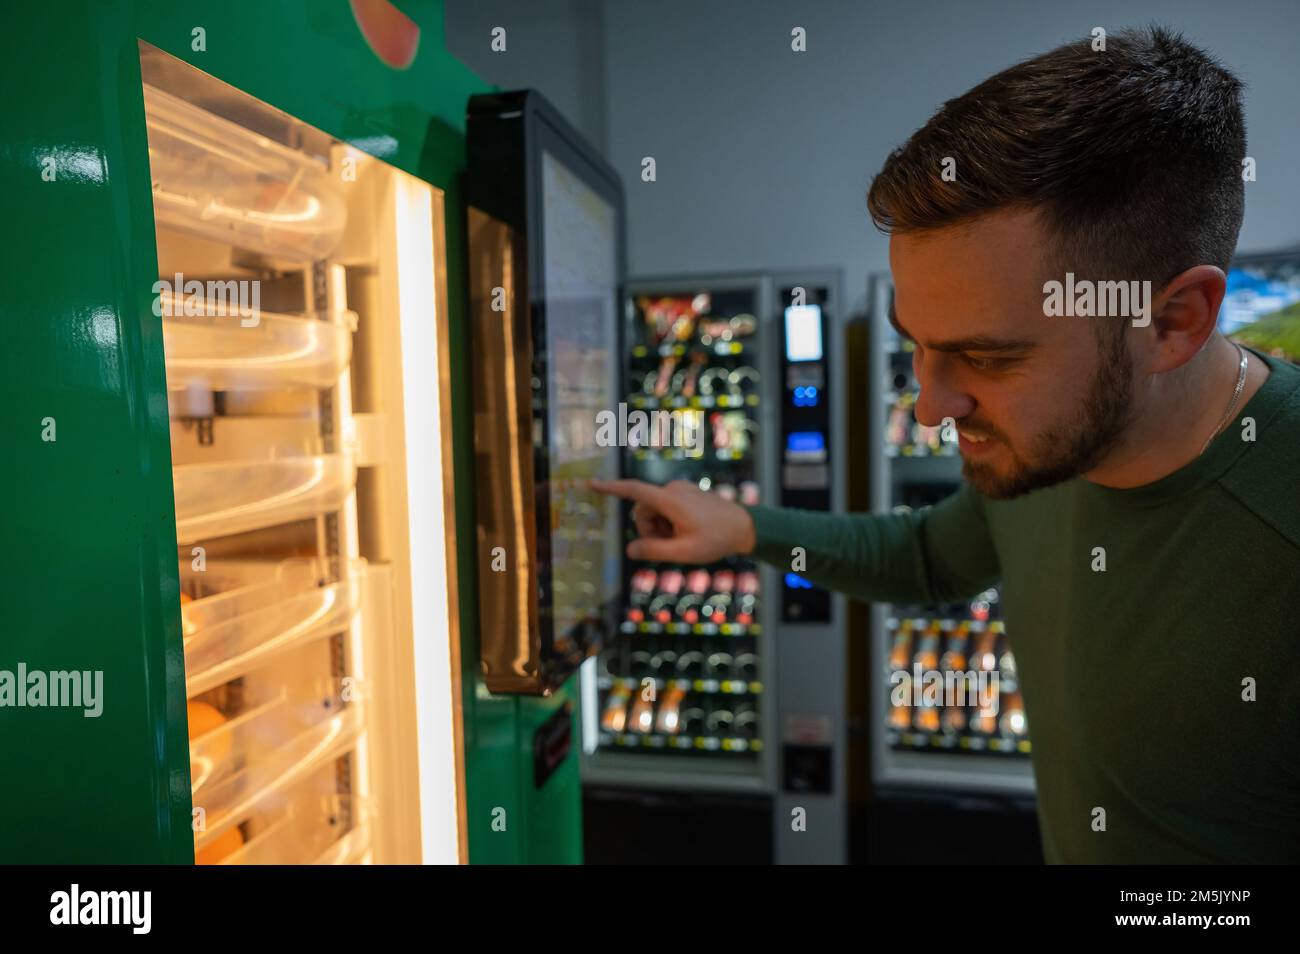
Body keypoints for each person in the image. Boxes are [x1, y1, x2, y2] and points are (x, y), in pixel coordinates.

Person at [593, 26, 1300, 863]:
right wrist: (749, 532)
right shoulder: (1047, 452)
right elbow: (930, 556)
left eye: (987, 355)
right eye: (916, 344)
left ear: (1173, 321)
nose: (929, 408)